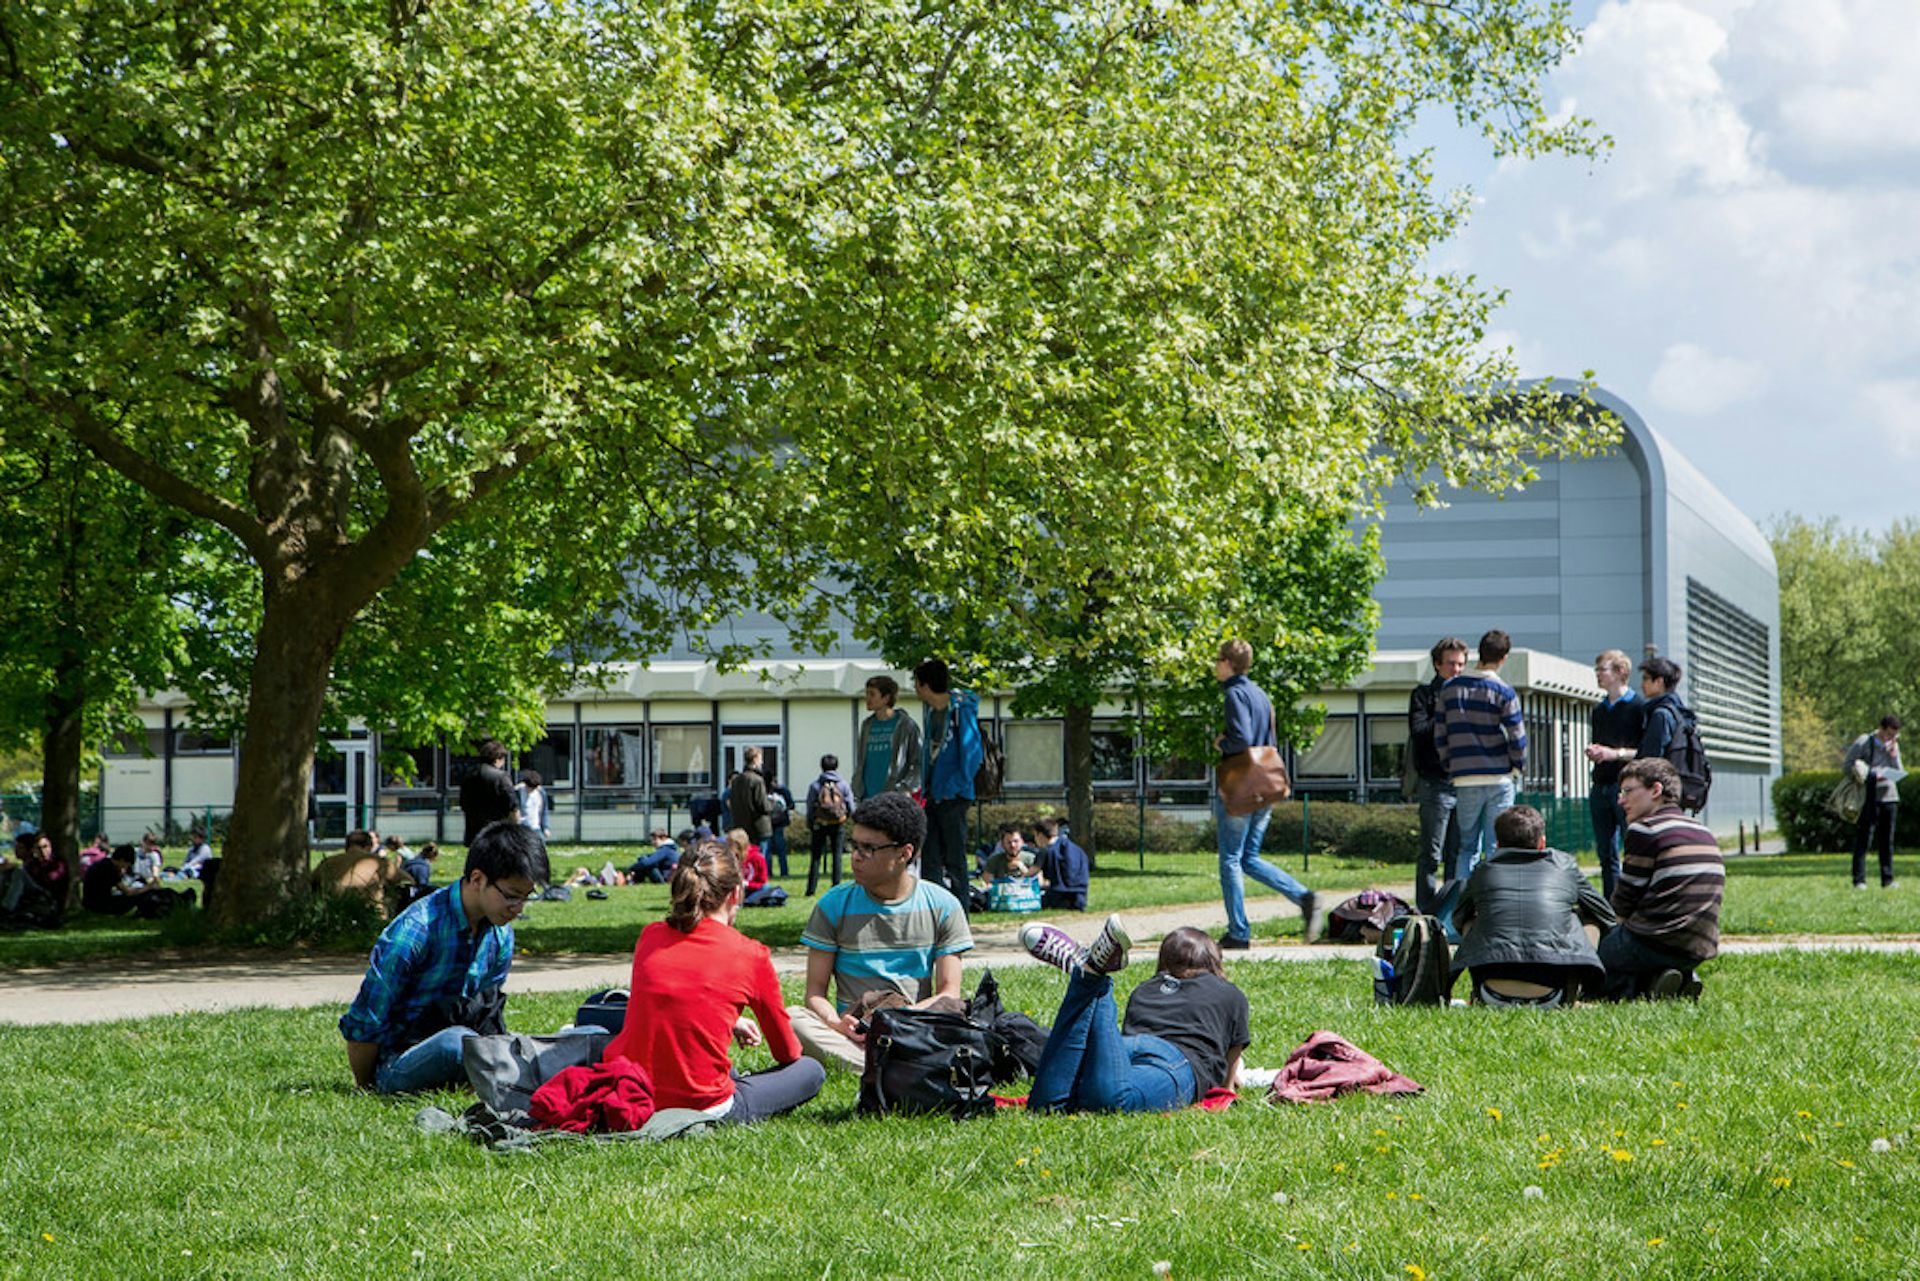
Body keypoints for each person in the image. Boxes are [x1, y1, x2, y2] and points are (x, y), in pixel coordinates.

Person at [603, 841, 825, 1123]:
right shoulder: (750, 954)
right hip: (702, 1105)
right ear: (735, 893)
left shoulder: (651, 936)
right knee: (810, 1070)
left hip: (633, 1089)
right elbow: (788, 1051)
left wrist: (730, 1021)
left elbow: (673, 1001)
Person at [337, 821, 541, 1093]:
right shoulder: (415, 930)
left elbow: (488, 1010)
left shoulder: (500, 935)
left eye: (526, 898)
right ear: (478, 879)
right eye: (512, 897)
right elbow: (366, 1020)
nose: (518, 908)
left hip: (468, 1045)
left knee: (533, 1047)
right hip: (399, 1061)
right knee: (456, 1043)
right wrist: (366, 1085)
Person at [789, 791, 974, 1071]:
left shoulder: (943, 906)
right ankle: (895, 1067)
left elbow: (949, 992)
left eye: (868, 849)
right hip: (853, 1036)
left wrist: (905, 1016)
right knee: (792, 1019)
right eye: (855, 845)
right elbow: (815, 992)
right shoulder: (833, 906)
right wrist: (836, 1024)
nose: (856, 857)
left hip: (915, 1028)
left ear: (904, 853)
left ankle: (884, 1065)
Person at [1022, 920, 1249, 1114]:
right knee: (1112, 1102)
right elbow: (1233, 1052)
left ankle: (1085, 974)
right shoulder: (1229, 992)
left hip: (1127, 1048)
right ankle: (1093, 976)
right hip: (1178, 1060)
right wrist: (1227, 1088)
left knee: (1047, 1106)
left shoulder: (1145, 988)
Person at [1211, 638, 1320, 949]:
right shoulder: (1260, 694)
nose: (1215, 666)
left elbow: (1242, 739)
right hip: (1266, 786)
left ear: (1228, 663)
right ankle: (1304, 897)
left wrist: (1223, 743)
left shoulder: (1234, 694)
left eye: (1218, 660)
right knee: (1249, 857)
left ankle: (1238, 932)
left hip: (1242, 788)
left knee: (1230, 859)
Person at [1449, 805, 1616, 1005]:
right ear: (1542, 842)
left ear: (1498, 844)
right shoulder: (1565, 866)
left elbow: (1458, 918)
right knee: (1587, 917)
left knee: (1472, 920)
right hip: (1555, 995)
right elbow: (1605, 913)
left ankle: (1478, 990)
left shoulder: (1483, 870)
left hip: (1491, 993)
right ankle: (1576, 991)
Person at [1602, 758, 1722, 1000]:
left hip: (1654, 941)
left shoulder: (1645, 829)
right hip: (1698, 946)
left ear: (1656, 790)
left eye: (1628, 791)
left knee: (1596, 959)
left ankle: (1647, 986)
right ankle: (1679, 979)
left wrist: (1609, 936)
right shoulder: (1703, 831)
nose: (1620, 800)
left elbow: (1626, 899)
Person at [1437, 628, 1527, 882]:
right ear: (1504, 657)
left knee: (1466, 848)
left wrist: (1450, 765)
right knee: (1496, 848)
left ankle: (1460, 911)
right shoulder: (1503, 691)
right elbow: (1517, 737)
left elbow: (1440, 735)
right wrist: (1516, 767)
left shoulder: (1449, 689)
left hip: (1464, 777)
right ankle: (1493, 907)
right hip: (1498, 776)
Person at [915, 658, 984, 904]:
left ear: (924, 685)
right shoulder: (932, 713)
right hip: (933, 796)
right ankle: (934, 916)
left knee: (955, 860)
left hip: (954, 797)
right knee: (930, 860)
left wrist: (953, 787)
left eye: (916, 683)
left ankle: (960, 918)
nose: (915, 689)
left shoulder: (960, 710)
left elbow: (973, 753)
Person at [1408, 636, 1467, 912]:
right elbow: (1419, 733)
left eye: (1461, 665)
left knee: (1457, 853)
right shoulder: (1423, 695)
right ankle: (1426, 911)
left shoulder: (1468, 694)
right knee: (1431, 854)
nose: (1456, 670)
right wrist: (1445, 712)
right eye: (1451, 664)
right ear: (1437, 665)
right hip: (1435, 784)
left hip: (1464, 783)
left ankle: (1450, 912)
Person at [1582, 650, 1646, 899]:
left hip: (1627, 786)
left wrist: (1615, 754)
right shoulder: (1599, 710)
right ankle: (1611, 904)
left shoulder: (1638, 707)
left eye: (1602, 670)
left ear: (1620, 672)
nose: (1598, 675)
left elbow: (1645, 751)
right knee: (1605, 852)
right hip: (1600, 784)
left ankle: (1634, 899)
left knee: (1633, 846)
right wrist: (1597, 751)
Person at [1844, 715, 1903, 890]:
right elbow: (1847, 766)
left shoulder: (1893, 746)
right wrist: (1869, 775)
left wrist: (1893, 755)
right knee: (1864, 838)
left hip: (1889, 796)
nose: (1891, 739)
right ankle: (1859, 879)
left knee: (1887, 840)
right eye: (1889, 735)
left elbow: (1899, 771)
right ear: (1882, 729)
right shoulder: (1864, 742)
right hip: (1869, 796)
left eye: (1895, 736)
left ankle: (1888, 879)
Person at [854, 675, 922, 801]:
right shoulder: (866, 725)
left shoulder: (906, 725)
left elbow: (919, 762)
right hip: (867, 797)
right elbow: (861, 760)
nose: (867, 698)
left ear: (886, 698)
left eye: (872, 694)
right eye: (867, 693)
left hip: (894, 797)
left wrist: (906, 787)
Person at [80, 844, 191, 918]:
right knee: (145, 894)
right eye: (126, 865)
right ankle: (179, 900)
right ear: (122, 860)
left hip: (92, 903)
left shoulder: (102, 864)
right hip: (102, 906)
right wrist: (149, 887)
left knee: (141, 890)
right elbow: (128, 892)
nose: (124, 869)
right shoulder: (110, 869)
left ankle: (175, 899)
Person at [312, 829, 402, 918]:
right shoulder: (379, 862)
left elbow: (311, 883)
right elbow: (408, 881)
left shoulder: (327, 863)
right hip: (372, 918)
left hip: (336, 917)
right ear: (369, 846)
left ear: (346, 846)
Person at [804, 755, 852, 896]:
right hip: (837, 824)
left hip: (820, 823)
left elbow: (810, 806)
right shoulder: (843, 784)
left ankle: (811, 889)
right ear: (836, 767)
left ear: (822, 767)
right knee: (837, 856)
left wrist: (811, 822)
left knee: (816, 857)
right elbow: (850, 804)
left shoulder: (815, 785)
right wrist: (846, 817)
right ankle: (836, 886)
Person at [459, 739, 519, 848]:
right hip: (496, 833)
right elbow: (512, 806)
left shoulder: (468, 775)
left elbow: (463, 803)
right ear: (498, 759)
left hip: (474, 833)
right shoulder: (501, 777)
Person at [1033, 817, 1089, 911]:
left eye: (1035, 836)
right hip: (1080, 897)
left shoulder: (1046, 851)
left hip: (1058, 896)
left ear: (1041, 835)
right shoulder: (1078, 850)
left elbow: (1034, 874)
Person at [728, 747, 774, 861]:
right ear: (755, 759)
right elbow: (763, 805)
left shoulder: (737, 780)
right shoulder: (757, 780)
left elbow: (732, 802)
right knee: (760, 859)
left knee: (744, 858)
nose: (762, 762)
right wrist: (773, 804)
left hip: (741, 825)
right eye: (760, 759)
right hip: (758, 826)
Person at [729, 827, 783, 907]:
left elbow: (762, 882)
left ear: (738, 844)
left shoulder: (757, 858)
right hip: (739, 889)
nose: (727, 846)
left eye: (729, 844)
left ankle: (746, 901)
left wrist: (747, 884)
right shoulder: (731, 858)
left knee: (766, 888)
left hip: (754, 889)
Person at [18, 831, 70, 914]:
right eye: (38, 848)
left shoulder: (58, 864)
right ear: (34, 850)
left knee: (18, 873)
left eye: (45, 847)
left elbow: (50, 880)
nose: (42, 851)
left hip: (50, 899)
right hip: (33, 898)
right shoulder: (32, 864)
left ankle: (6, 907)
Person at [515, 769, 551, 883]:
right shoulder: (518, 791)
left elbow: (544, 810)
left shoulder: (541, 793)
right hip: (522, 827)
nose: (531, 791)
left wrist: (546, 827)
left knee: (540, 854)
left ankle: (541, 878)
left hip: (536, 828)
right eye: (529, 788)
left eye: (534, 788)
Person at [764, 766, 795, 879]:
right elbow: (791, 804)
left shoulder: (761, 790)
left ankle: (768, 872)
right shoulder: (782, 790)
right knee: (781, 848)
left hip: (766, 823)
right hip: (780, 822)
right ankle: (784, 871)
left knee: (767, 849)